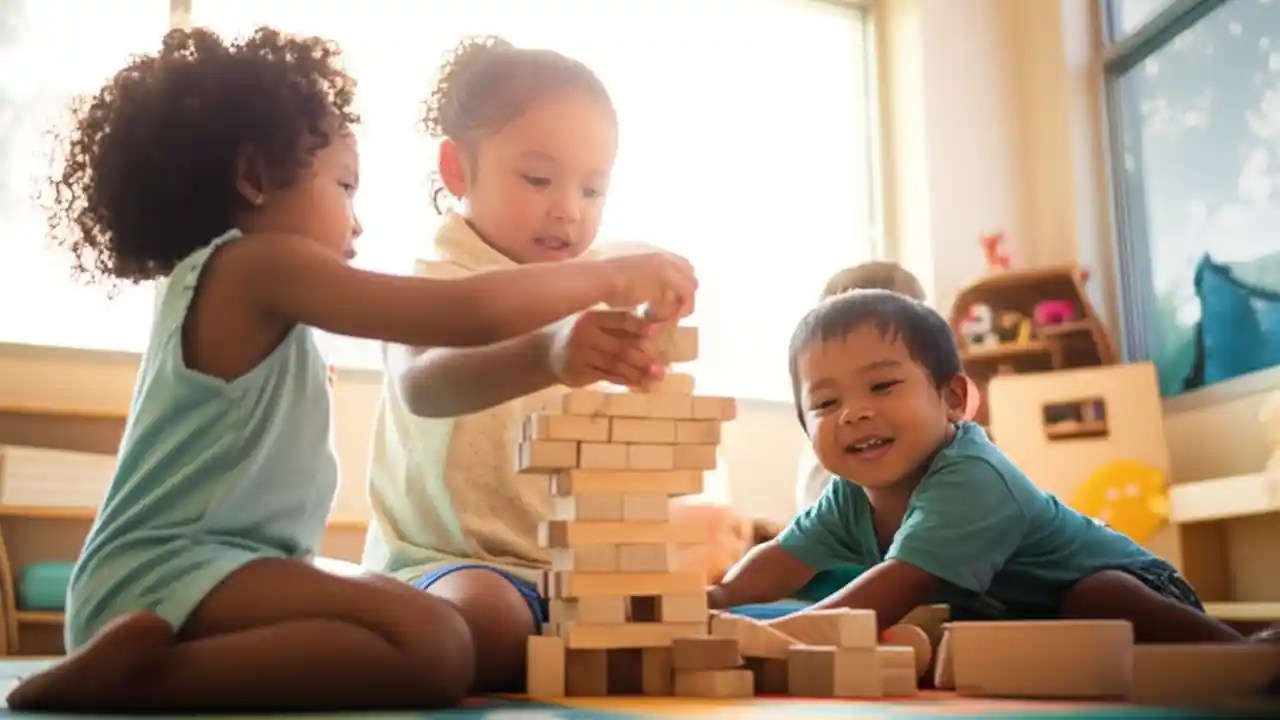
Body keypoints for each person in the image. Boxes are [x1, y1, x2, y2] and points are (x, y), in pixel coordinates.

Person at [7, 26, 695, 713]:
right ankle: (137, 681)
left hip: (221, 575)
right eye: (344, 187)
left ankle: (151, 671)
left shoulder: (257, 294)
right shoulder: (256, 265)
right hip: (164, 574)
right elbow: (468, 314)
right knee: (437, 647)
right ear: (252, 179)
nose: (358, 227)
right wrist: (607, 275)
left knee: (428, 641)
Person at [360, 35, 670, 694]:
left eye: (593, 188)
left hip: (568, 573)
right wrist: (549, 353)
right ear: (457, 170)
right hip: (449, 565)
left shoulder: (591, 283)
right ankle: (353, 639)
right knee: (492, 627)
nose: (568, 209)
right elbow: (421, 383)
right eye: (538, 179)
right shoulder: (436, 280)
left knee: (669, 627)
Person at [708, 290, 1243, 644]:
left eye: (883, 385)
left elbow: (898, 586)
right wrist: (722, 596)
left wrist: (784, 635)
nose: (854, 412)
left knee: (1097, 597)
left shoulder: (970, 474)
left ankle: (1242, 655)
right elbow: (783, 558)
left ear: (953, 398)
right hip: (1048, 631)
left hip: (1142, 591)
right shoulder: (851, 493)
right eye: (825, 403)